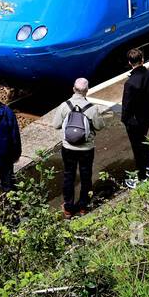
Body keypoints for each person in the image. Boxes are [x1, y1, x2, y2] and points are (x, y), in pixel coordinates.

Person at [51, 77, 102, 216]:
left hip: (68, 148)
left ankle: (68, 208)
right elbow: (100, 126)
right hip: (86, 149)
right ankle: (83, 207)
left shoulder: (64, 106)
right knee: (86, 176)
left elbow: (55, 125)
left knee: (69, 175)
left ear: (73, 89)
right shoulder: (92, 109)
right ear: (87, 91)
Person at [121, 48, 149, 188]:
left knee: (137, 148)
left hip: (134, 121)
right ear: (142, 60)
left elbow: (126, 106)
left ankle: (141, 177)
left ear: (130, 63)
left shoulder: (130, 83)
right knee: (144, 142)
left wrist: (125, 120)